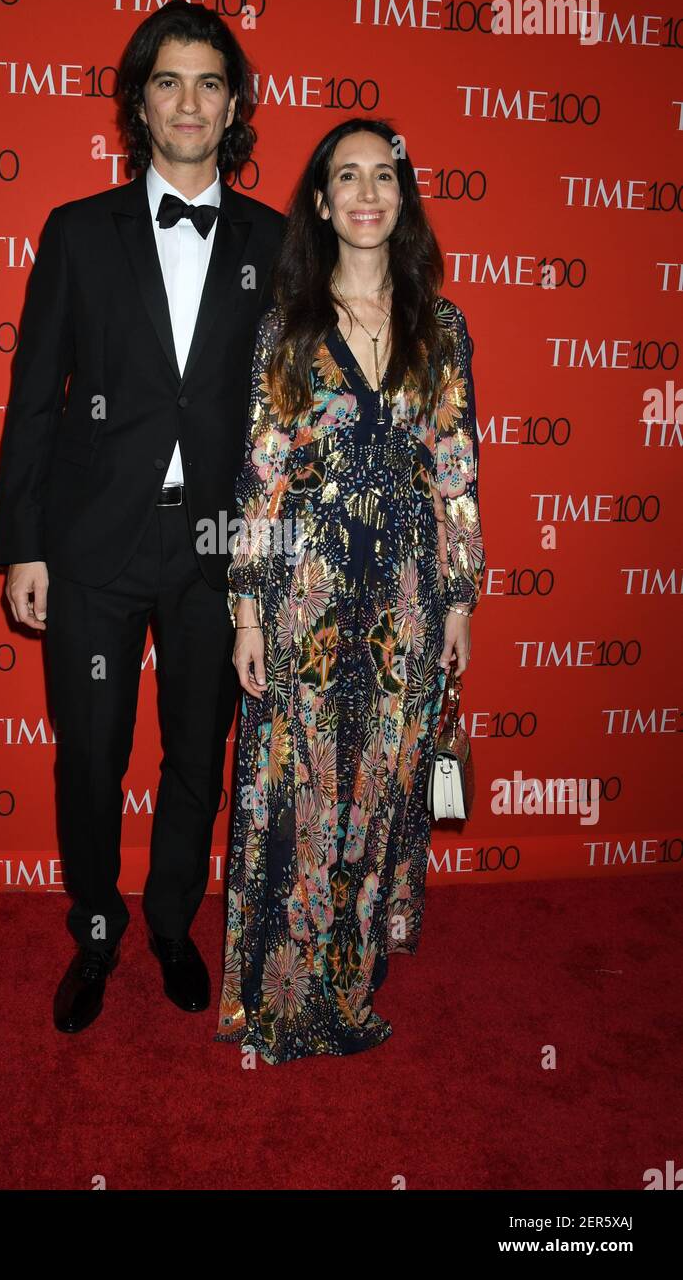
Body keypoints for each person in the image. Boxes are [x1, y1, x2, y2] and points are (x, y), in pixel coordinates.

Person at [0, 1, 285, 1033]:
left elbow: (290, 415)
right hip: (92, 539)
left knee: (197, 753)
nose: (189, 101)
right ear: (138, 102)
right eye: (167, 81)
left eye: (209, 81)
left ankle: (168, 923)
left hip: (217, 546)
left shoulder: (278, 244)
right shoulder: (77, 232)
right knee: (90, 752)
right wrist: (20, 542)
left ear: (234, 103)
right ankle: (97, 930)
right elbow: (35, 397)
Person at [214, 117, 486, 1064]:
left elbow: (455, 473)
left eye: (385, 177)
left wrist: (457, 606)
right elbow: (260, 479)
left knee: (379, 788)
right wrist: (247, 612)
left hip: (407, 602)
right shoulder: (287, 331)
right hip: (307, 600)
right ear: (322, 203)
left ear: (400, 200)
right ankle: (282, 998)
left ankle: (350, 981)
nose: (367, 193)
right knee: (299, 788)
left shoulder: (441, 326)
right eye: (347, 178)